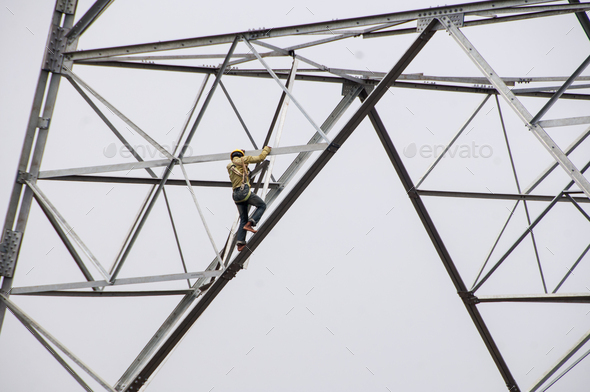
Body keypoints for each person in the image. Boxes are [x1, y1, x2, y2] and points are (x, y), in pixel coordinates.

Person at [227, 146, 271, 251]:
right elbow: (260, 158)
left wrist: (241, 155)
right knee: (262, 205)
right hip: (244, 192)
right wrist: (266, 150)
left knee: (243, 218)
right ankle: (251, 223)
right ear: (241, 156)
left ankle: (240, 243)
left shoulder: (229, 166)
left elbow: (245, 171)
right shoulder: (243, 160)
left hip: (236, 195)